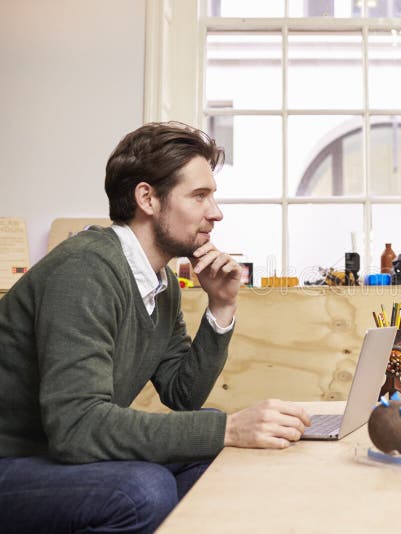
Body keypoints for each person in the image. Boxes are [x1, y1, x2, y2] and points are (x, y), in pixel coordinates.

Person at [0, 122, 312, 533]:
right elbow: (76, 427)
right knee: (141, 490)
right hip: (14, 459)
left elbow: (182, 395)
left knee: (211, 462)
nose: (215, 213)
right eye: (200, 196)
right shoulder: (86, 270)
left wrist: (221, 306)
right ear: (147, 198)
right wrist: (230, 427)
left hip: (51, 455)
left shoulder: (160, 284)